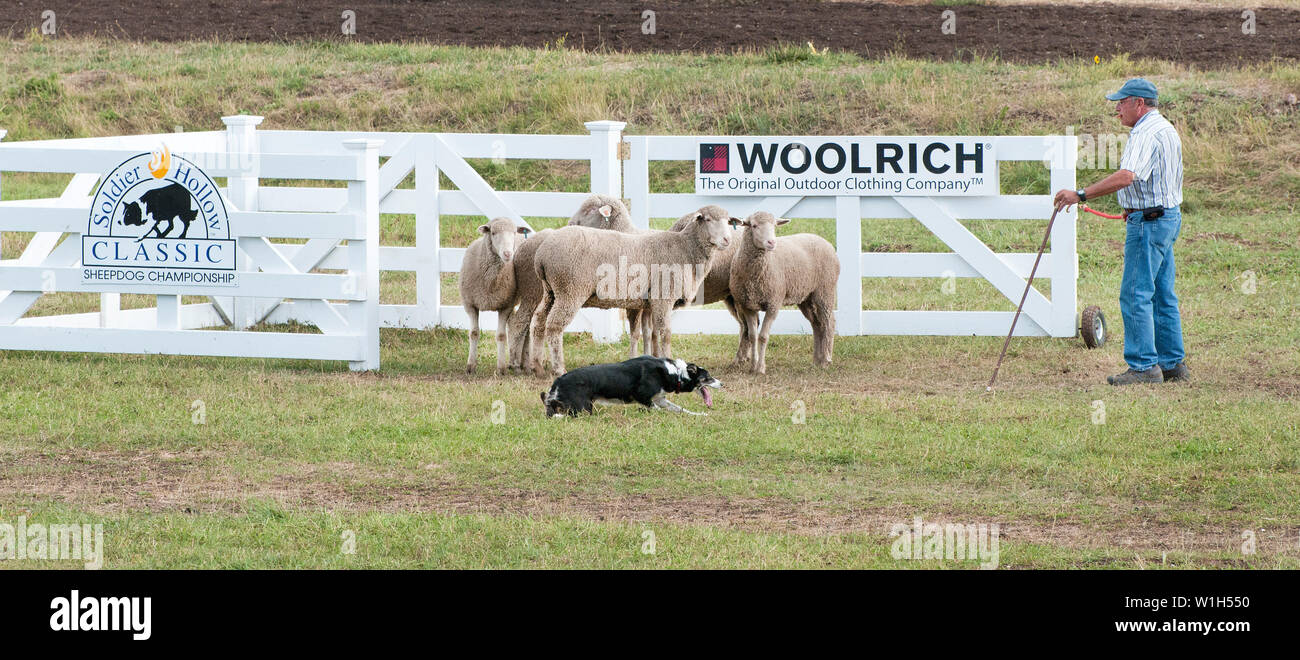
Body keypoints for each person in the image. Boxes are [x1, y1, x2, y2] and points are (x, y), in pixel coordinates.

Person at [1054, 77, 1188, 386]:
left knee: (1135, 293)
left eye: (1122, 102)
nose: (1118, 108)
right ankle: (1172, 365)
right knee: (1163, 295)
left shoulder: (1144, 133)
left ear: (1139, 104)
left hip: (1149, 223)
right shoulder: (1165, 129)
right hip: (1167, 218)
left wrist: (1081, 194)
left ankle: (1143, 367)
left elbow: (1127, 176)